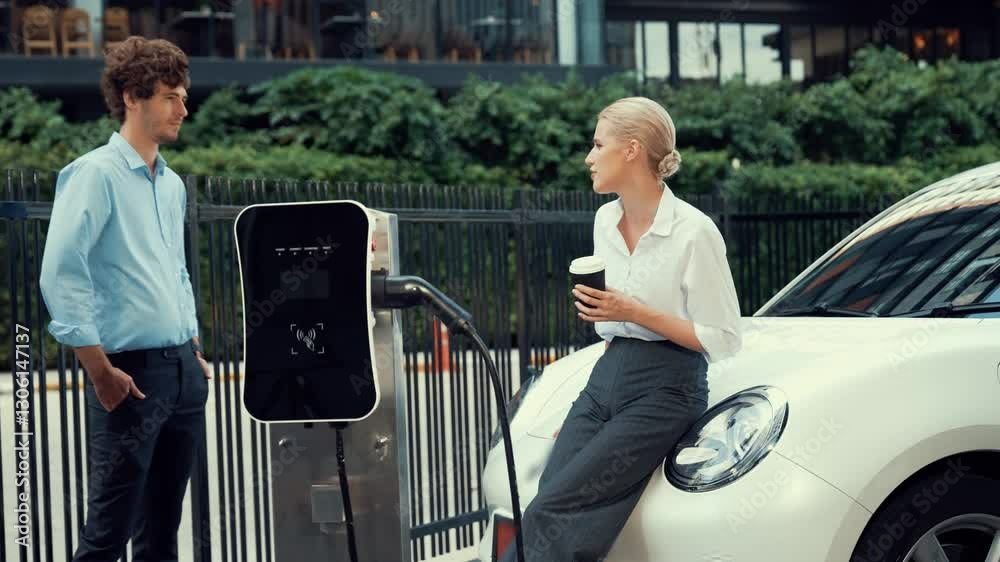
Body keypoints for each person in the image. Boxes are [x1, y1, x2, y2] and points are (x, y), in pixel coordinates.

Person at [501, 97, 742, 562]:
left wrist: (633, 309)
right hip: (608, 374)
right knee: (551, 492)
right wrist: (607, 312)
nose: (588, 157)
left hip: (668, 386)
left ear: (631, 150)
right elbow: (615, 330)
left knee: (557, 507)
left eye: (597, 144)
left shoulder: (694, 231)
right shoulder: (604, 221)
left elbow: (723, 337)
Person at [39, 36, 211, 561]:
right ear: (131, 97)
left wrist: (195, 349)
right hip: (130, 376)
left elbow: (174, 270)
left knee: (161, 533)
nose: (183, 108)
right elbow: (62, 271)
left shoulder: (172, 183)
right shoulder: (95, 174)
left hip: (181, 370)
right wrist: (98, 369)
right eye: (169, 96)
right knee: (107, 535)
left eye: (183, 96)